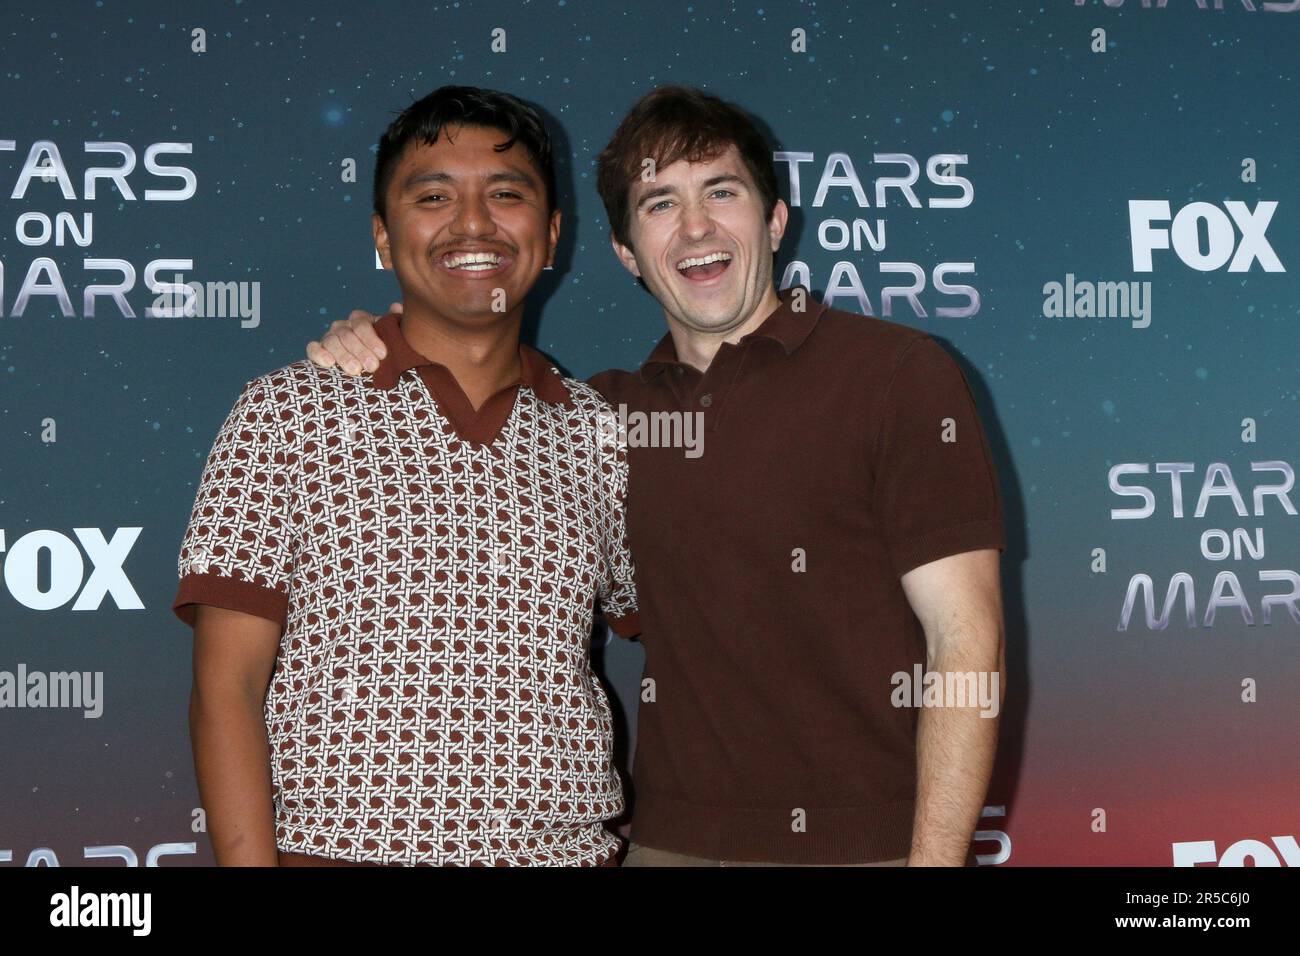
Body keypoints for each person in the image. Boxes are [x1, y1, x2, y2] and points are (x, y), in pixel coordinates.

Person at [308, 85, 1007, 867]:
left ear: (775, 220)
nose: (697, 226)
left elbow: (965, 642)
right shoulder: (597, 418)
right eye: (660, 203)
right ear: (626, 252)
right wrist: (377, 338)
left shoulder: (898, 374)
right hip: (667, 848)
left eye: (722, 192)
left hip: (871, 848)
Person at [174, 86, 638, 867]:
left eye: (506, 194)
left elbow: (683, 617)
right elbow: (227, 690)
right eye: (433, 197)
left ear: (552, 234)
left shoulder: (599, 432)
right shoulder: (284, 411)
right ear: (384, 239)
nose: (473, 224)